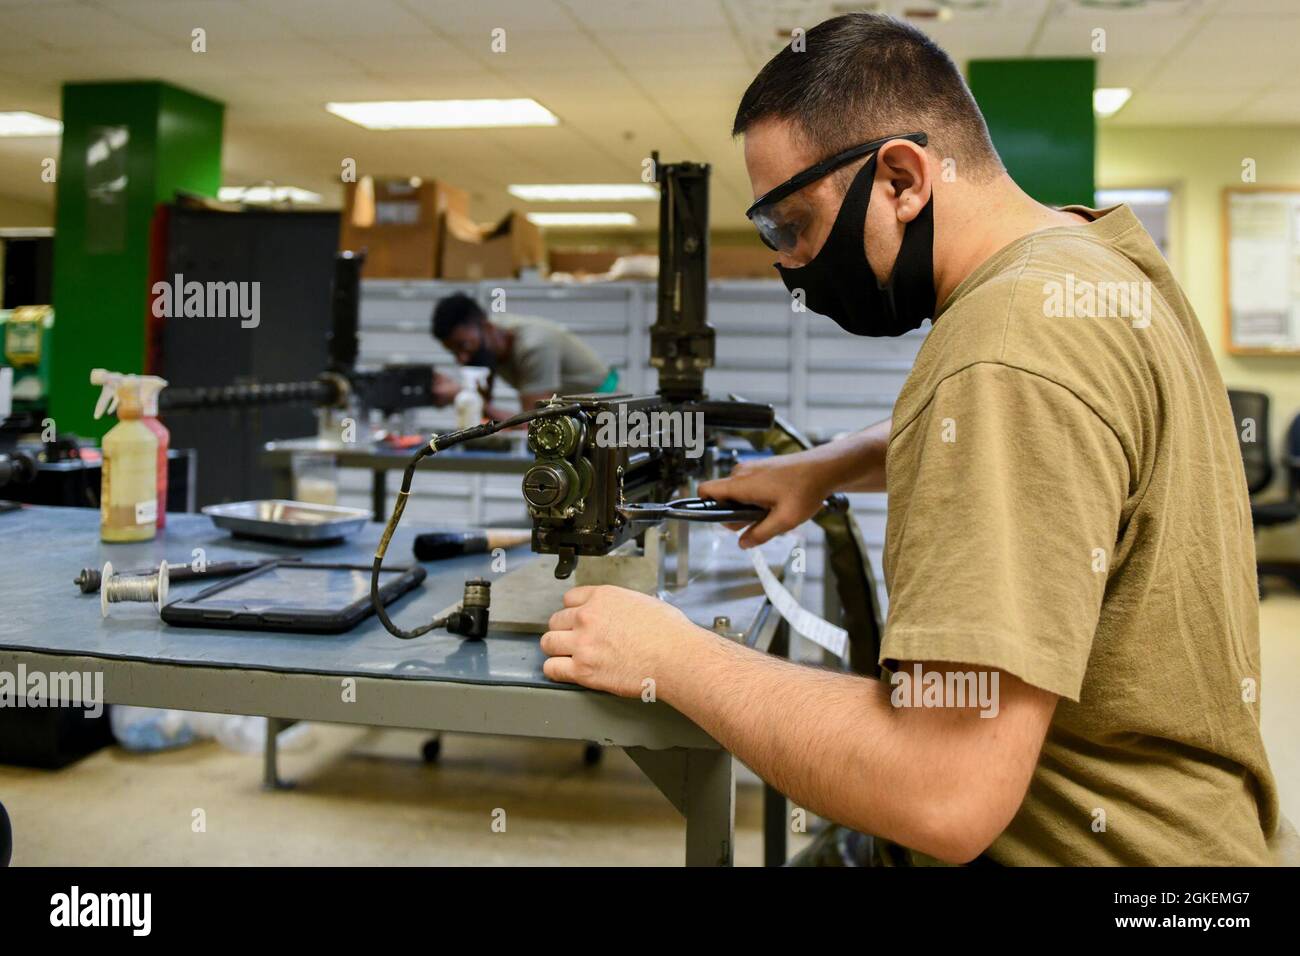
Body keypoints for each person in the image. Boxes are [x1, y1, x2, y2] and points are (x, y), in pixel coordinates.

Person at [536, 12, 1278, 865]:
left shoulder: (1004, 349)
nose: (786, 265)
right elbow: (1078, 439)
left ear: (900, 178)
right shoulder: (1090, 265)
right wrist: (831, 465)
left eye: (790, 225)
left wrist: (673, 656)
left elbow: (941, 790)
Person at [430, 293, 617, 420]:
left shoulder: (533, 346)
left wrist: (462, 396)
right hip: (579, 416)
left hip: (608, 416)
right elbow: (483, 404)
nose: (461, 358)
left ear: (486, 327)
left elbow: (532, 424)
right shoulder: (489, 342)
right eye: (454, 352)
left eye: (463, 346)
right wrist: (458, 392)